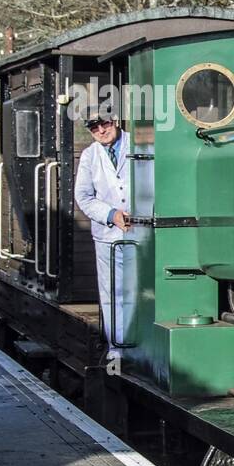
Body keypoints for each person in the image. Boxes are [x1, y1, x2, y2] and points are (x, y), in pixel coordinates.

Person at [74, 116, 131, 359]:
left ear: (115, 121)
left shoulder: (140, 145)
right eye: (93, 127)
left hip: (143, 232)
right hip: (108, 235)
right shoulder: (90, 155)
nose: (100, 130)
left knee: (142, 291)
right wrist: (110, 214)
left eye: (104, 124)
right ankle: (117, 348)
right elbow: (84, 197)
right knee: (113, 293)